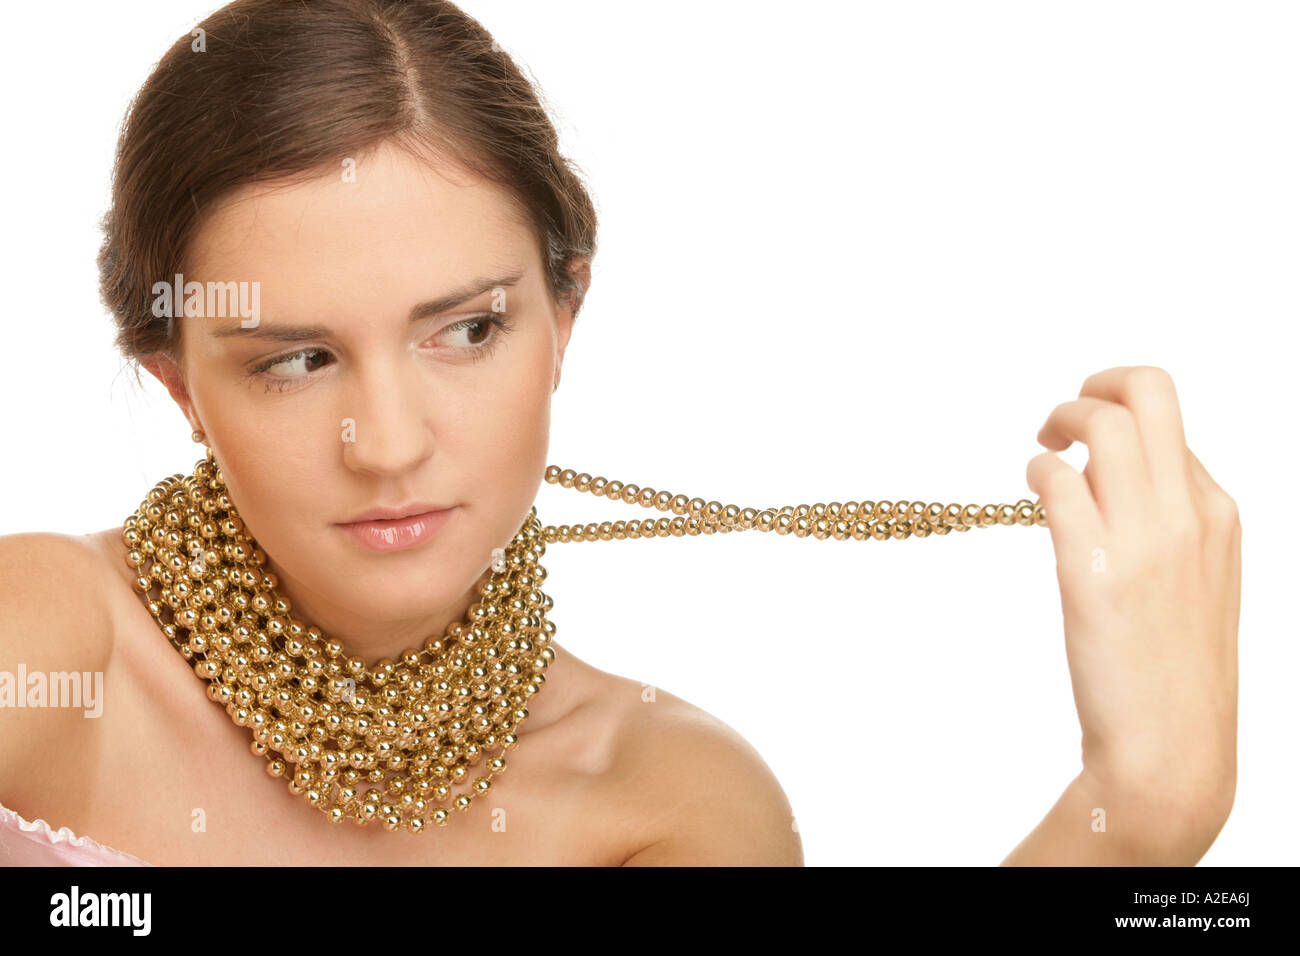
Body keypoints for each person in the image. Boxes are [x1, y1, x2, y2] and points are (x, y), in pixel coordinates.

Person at [0, 0, 1239, 867]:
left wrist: (1129, 820)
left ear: (564, 316)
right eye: (296, 358)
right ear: (181, 387)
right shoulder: (54, 640)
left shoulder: (668, 799)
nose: (386, 442)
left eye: (465, 332)